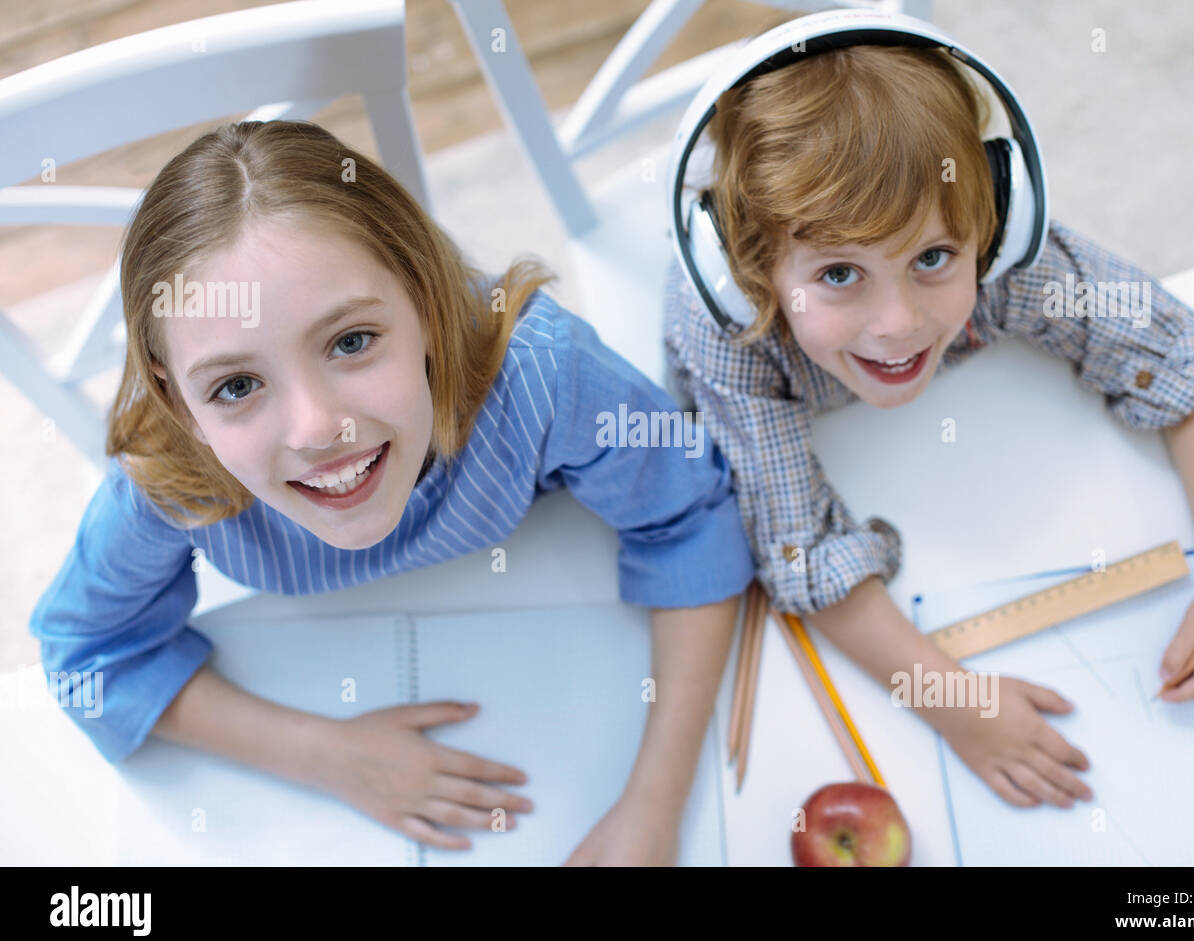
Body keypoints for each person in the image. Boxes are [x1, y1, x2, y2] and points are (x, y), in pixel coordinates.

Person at [30, 119, 754, 865]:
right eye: (237, 385)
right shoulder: (167, 481)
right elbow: (85, 656)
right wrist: (326, 754)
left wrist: (654, 807)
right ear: (178, 404)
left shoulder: (544, 375)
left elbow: (690, 514)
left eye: (351, 341)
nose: (317, 429)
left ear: (428, 305)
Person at [663, 15, 1194, 811]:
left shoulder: (1007, 262)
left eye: (932, 259)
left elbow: (1183, 368)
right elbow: (801, 554)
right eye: (840, 274)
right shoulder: (729, 330)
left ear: (994, 226)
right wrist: (958, 706)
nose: (899, 322)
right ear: (747, 271)